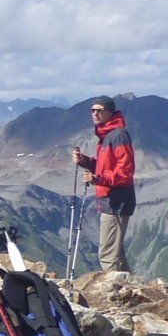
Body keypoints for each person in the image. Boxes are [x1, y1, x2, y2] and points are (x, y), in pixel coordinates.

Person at [72, 95, 136, 274]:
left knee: (107, 256)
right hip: (111, 201)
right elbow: (104, 166)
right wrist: (84, 161)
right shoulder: (107, 135)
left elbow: (125, 171)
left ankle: (116, 296)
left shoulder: (118, 135)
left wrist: (98, 180)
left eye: (100, 110)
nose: (95, 114)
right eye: (93, 110)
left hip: (116, 201)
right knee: (117, 255)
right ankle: (133, 292)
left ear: (110, 112)